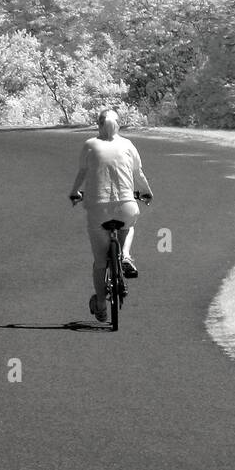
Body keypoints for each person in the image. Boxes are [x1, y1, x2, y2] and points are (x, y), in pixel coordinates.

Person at [69, 108, 153, 323]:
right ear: (119, 125)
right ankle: (125, 254)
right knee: (129, 226)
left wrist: (74, 192)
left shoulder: (90, 145)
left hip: (98, 208)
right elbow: (138, 173)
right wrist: (146, 191)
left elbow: (83, 172)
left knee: (99, 262)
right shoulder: (128, 145)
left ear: (98, 124)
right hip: (126, 205)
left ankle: (100, 305)